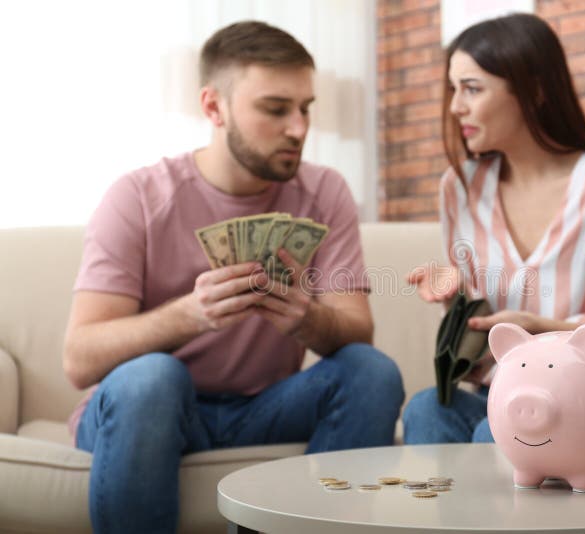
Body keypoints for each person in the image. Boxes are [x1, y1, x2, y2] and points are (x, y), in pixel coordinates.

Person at [63, 20, 404, 533]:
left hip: (265, 408)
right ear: (213, 107)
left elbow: (358, 330)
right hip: (153, 409)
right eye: (275, 109)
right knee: (154, 378)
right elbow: (79, 358)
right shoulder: (137, 198)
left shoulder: (325, 192)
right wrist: (188, 316)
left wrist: (307, 320)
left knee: (370, 371)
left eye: (305, 108)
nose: (299, 127)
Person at [402, 13, 585, 450]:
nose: (454, 107)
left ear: (535, 89)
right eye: (453, 89)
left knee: (500, 435)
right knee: (427, 408)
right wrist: (458, 307)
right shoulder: (460, 188)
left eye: (471, 88)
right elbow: (477, 362)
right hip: (506, 398)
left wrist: (536, 328)